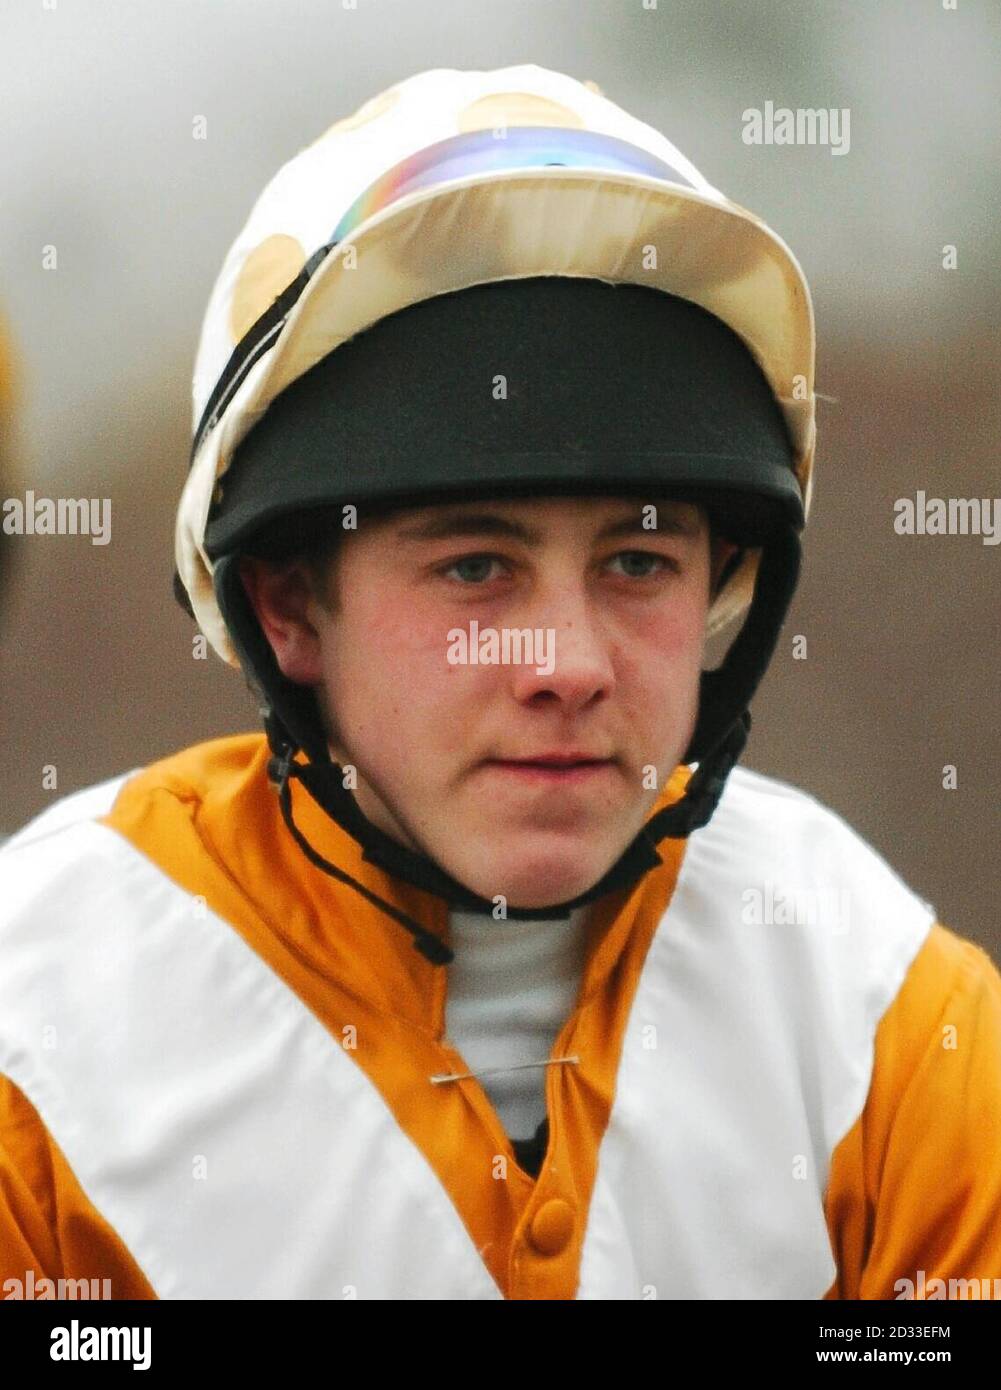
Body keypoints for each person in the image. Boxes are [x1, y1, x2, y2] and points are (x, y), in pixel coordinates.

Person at [1, 63, 999, 1303]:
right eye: (476, 567)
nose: (569, 668)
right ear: (287, 604)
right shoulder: (31, 1038)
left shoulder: (890, 1012)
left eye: (637, 561)